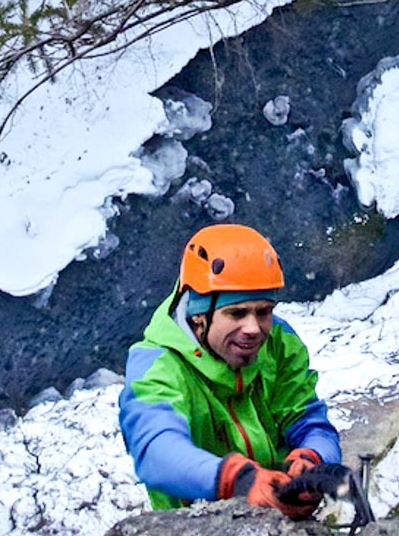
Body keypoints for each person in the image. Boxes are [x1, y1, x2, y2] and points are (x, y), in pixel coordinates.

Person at [119, 222, 341, 518]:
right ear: (199, 315)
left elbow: (309, 421)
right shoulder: (158, 367)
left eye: (263, 312)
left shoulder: (279, 342)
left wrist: (312, 459)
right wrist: (237, 480)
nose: (253, 328)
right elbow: (156, 450)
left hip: (281, 521)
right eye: (236, 313)